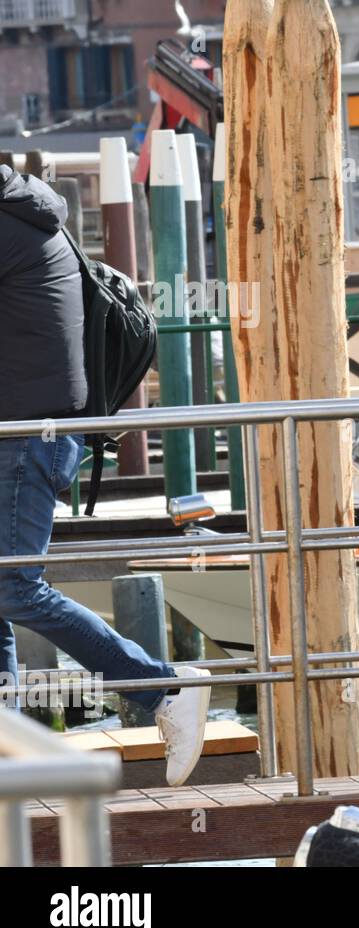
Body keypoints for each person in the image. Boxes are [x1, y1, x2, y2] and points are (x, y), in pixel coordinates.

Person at [0, 162, 210, 787]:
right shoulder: (26, 214)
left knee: (14, 588)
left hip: (27, 437)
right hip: (30, 432)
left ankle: (163, 690)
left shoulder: (10, 225)